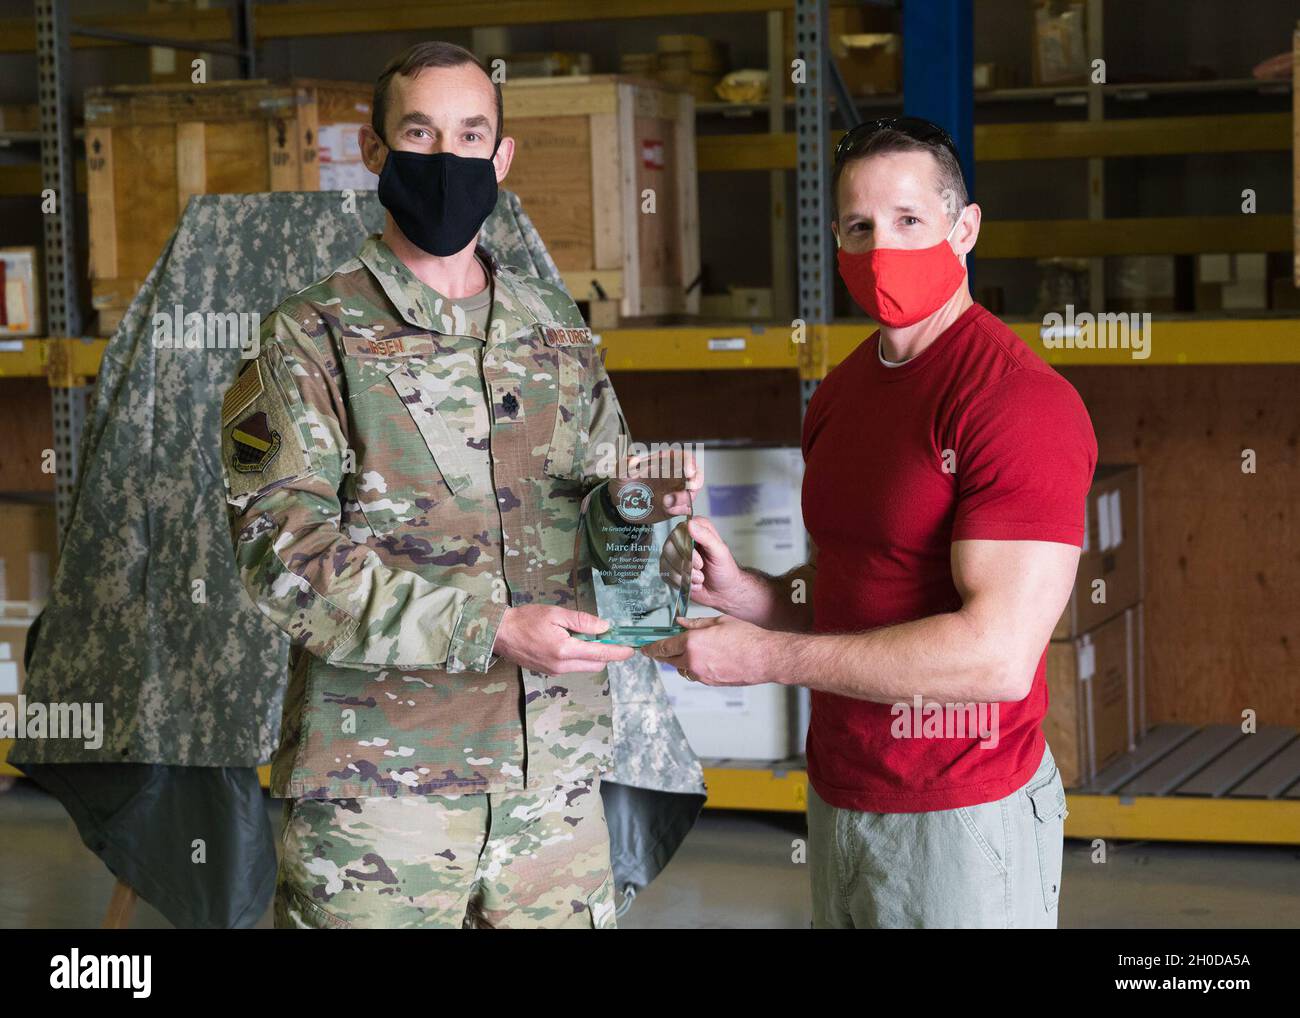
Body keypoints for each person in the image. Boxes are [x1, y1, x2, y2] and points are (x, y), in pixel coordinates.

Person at [220, 41, 698, 929]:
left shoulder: (555, 330)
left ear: (502, 158)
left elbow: (606, 509)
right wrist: (492, 627)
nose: (447, 160)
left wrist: (655, 523)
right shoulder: (308, 337)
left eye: (471, 135)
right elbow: (284, 559)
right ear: (374, 152)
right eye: (420, 133)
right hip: (383, 793)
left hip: (554, 788)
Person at [646, 116, 1097, 929]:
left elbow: (996, 657)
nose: (881, 248)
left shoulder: (1019, 403)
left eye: (909, 221)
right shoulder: (844, 394)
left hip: (962, 812)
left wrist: (767, 657)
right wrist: (749, 596)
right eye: (861, 227)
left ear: (965, 229)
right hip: (842, 793)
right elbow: (860, 586)